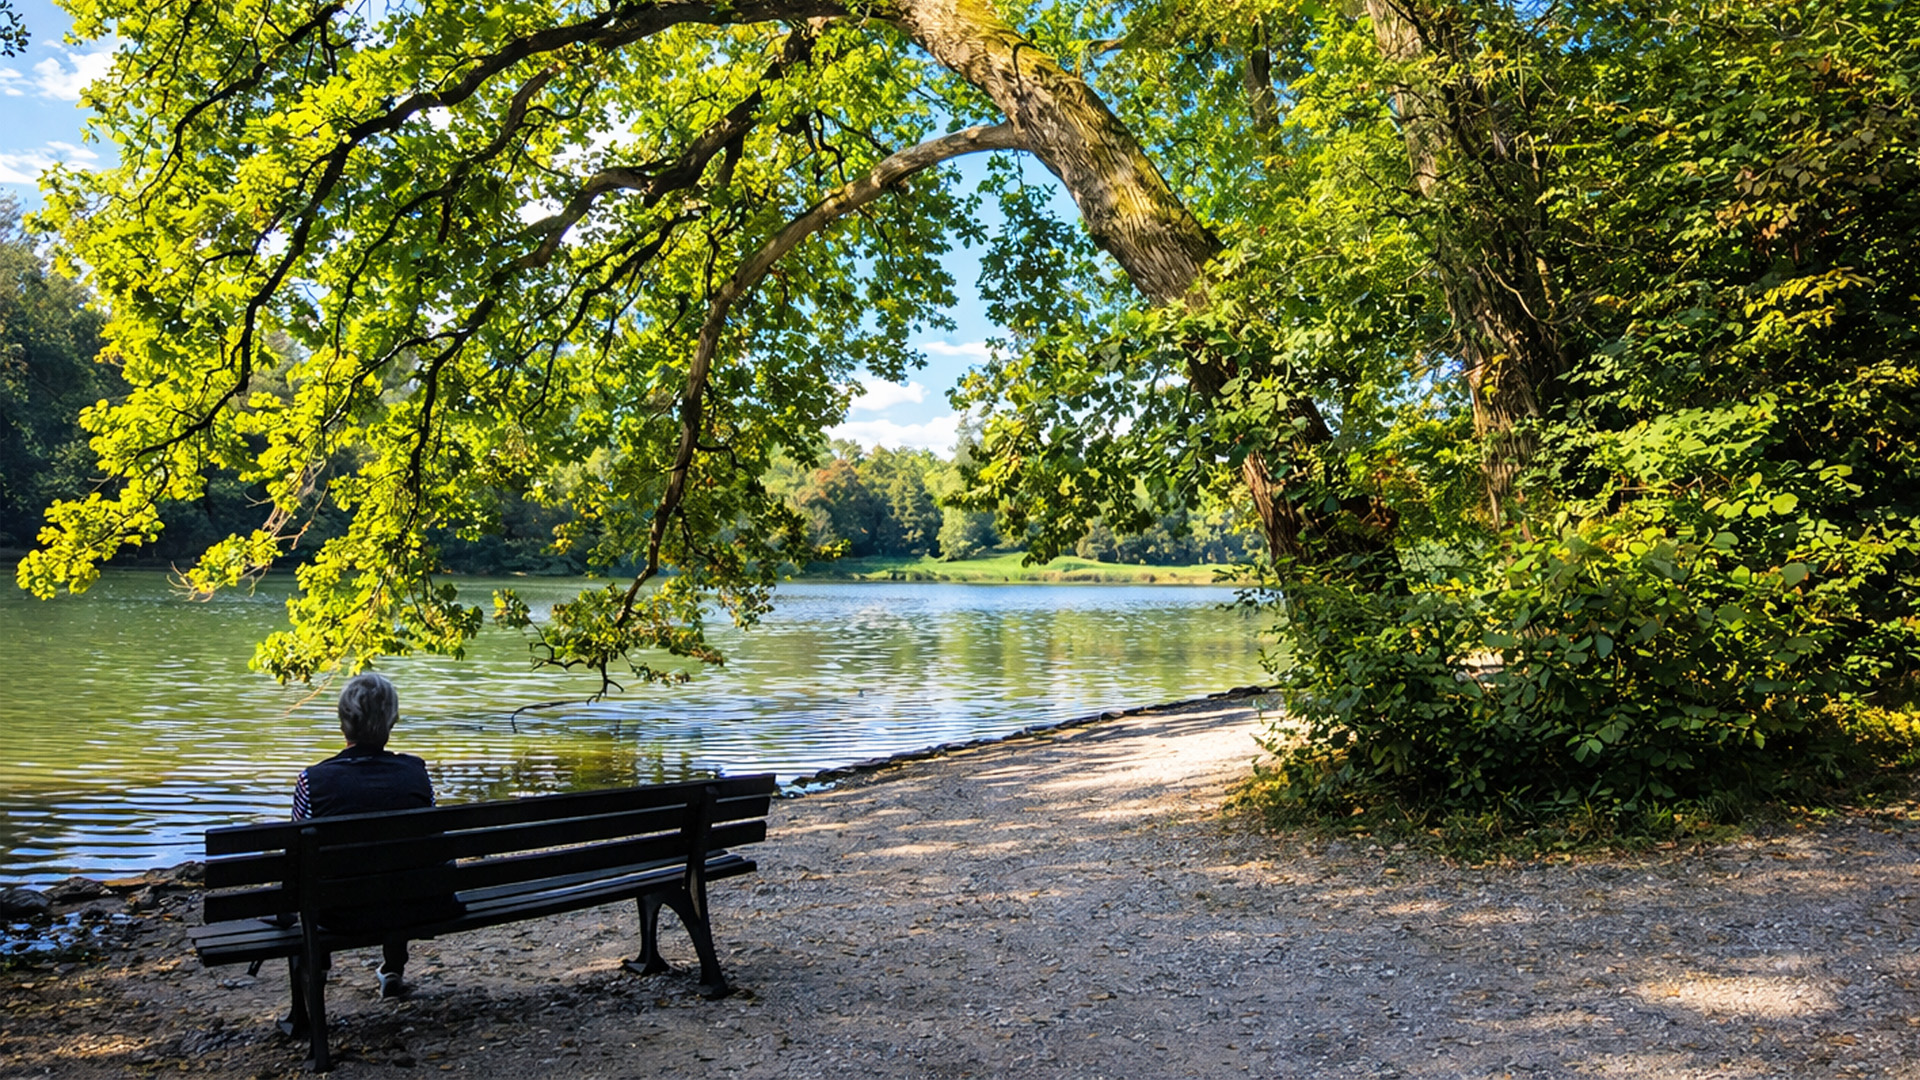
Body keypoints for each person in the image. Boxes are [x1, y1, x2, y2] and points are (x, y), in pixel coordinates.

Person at [291, 671, 437, 999]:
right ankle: (392, 968)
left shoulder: (312, 781)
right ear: (392, 721)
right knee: (397, 865)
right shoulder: (416, 774)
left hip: (339, 914)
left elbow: (298, 859)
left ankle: (318, 971)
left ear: (344, 721)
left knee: (314, 880)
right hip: (413, 906)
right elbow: (428, 843)